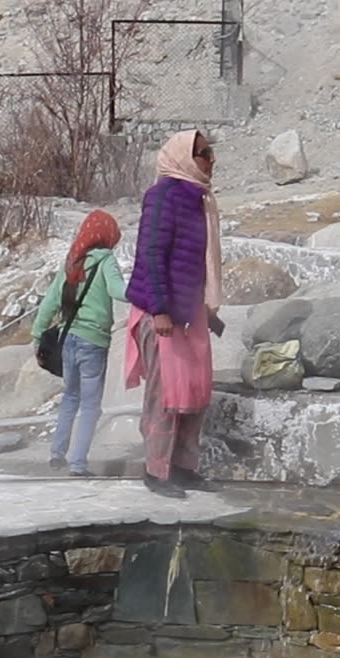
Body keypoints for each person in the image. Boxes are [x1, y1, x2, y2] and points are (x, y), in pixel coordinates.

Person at [124, 129, 225, 500]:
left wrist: (205, 309)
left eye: (211, 153)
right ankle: (156, 470)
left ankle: (183, 469)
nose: (210, 161)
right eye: (203, 153)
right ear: (184, 157)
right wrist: (160, 309)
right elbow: (152, 254)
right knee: (165, 395)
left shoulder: (199, 199)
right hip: (164, 314)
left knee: (193, 393)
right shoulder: (164, 196)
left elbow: (193, 264)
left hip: (189, 312)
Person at [33, 209, 127, 476]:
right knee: (90, 405)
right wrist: (146, 294)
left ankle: (56, 453)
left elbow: (51, 301)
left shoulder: (72, 261)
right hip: (92, 342)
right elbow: (118, 291)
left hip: (68, 341)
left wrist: (38, 335)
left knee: (70, 398)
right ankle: (78, 464)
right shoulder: (105, 260)